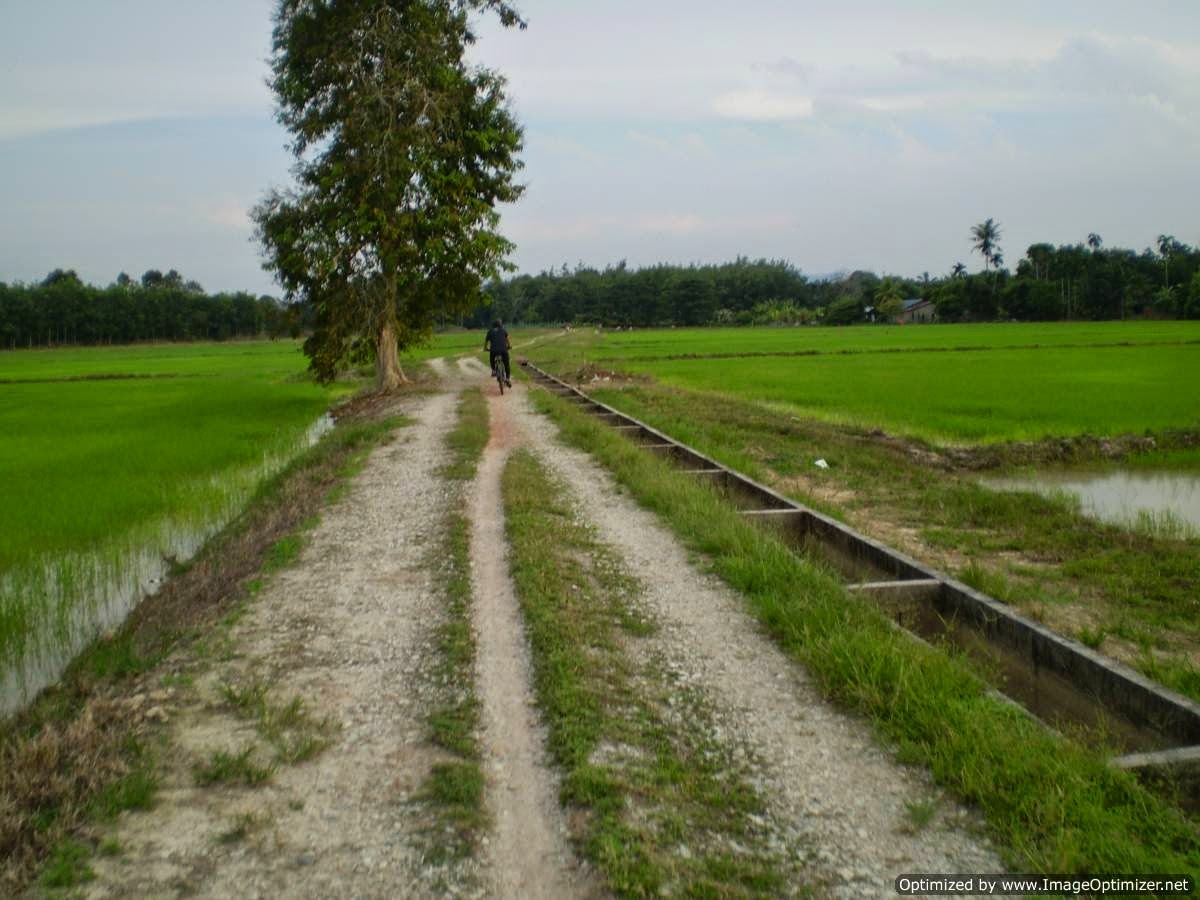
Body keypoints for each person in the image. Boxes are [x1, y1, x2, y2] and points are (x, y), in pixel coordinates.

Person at [484, 318, 512, 387]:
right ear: (501, 325)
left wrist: (485, 348)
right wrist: (509, 346)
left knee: (492, 357)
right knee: (507, 364)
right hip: (503, 350)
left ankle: (493, 370)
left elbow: (486, 342)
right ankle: (508, 379)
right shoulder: (504, 330)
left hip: (493, 350)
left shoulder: (490, 331)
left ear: (493, 325)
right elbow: (507, 340)